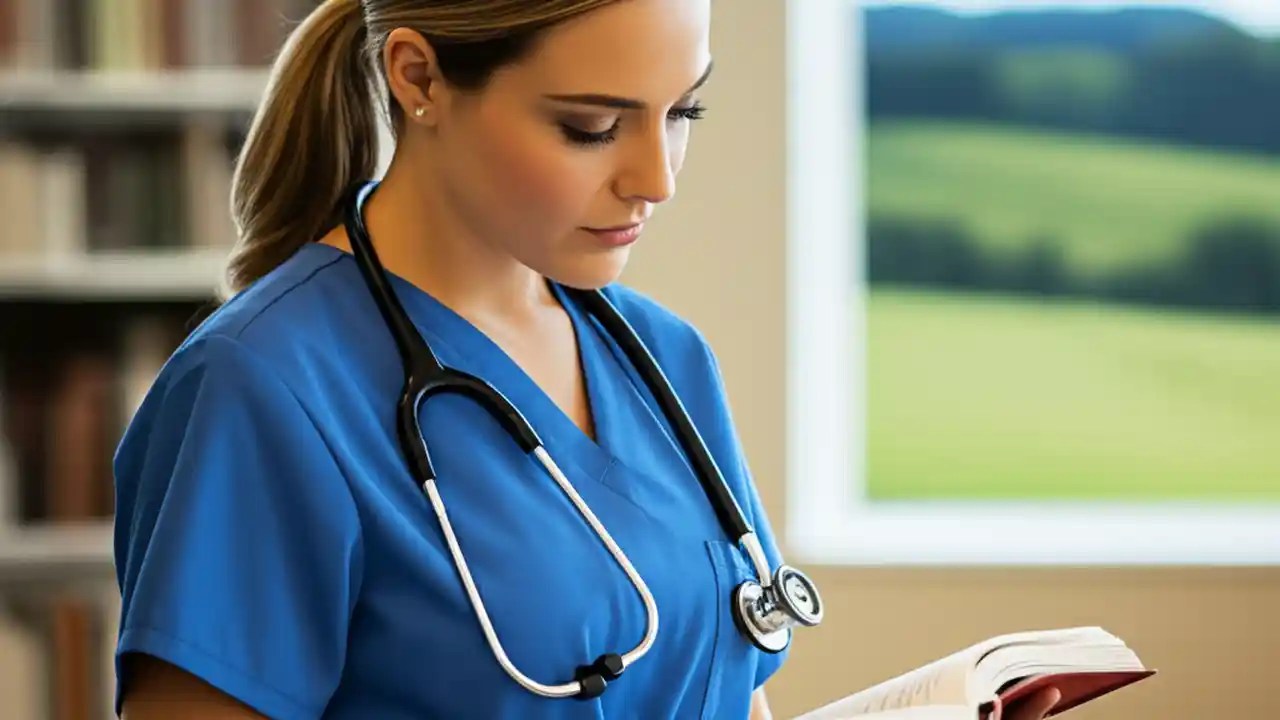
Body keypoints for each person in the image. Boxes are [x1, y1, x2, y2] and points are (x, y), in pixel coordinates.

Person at [110, 0, 1063, 718]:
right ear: (420, 78)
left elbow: (728, 687)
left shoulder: (663, 359)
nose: (657, 179)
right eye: (592, 127)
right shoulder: (259, 391)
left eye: (684, 112)